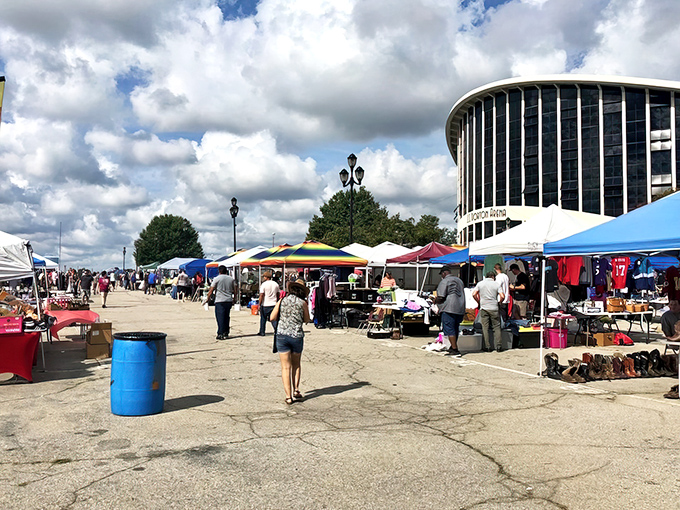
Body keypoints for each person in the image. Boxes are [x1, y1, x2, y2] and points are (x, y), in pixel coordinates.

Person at [271, 278, 311, 405]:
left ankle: (288, 396)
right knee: (296, 365)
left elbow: (272, 317)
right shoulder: (303, 303)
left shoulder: (282, 300)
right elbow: (307, 319)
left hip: (282, 335)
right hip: (296, 336)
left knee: (285, 367)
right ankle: (296, 390)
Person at [435, 265, 465, 356]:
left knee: (449, 328)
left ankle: (455, 349)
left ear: (444, 273)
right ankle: (453, 346)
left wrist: (435, 300)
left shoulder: (445, 281)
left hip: (449, 308)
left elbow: (441, 296)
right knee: (456, 328)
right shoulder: (459, 280)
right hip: (460, 307)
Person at [472, 271, 505, 352]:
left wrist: (478, 301)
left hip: (484, 307)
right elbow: (502, 296)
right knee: (496, 327)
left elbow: (473, 294)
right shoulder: (496, 284)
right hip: (494, 307)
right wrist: (499, 302)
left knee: (485, 327)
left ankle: (487, 346)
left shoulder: (480, 283)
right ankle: (499, 346)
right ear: (493, 277)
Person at [204, 265, 236, 340]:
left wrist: (208, 299)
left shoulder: (216, 279)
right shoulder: (231, 279)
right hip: (228, 300)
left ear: (219, 271)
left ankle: (220, 333)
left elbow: (211, 290)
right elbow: (235, 289)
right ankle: (226, 332)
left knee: (220, 317)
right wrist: (234, 298)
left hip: (220, 300)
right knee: (226, 316)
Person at [258, 271, 280, 336]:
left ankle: (262, 331)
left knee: (263, 318)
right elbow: (278, 293)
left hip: (265, 304)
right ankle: (277, 330)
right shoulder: (276, 284)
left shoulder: (264, 284)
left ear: (266, 277)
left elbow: (261, 295)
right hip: (273, 303)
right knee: (274, 319)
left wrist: (259, 304)